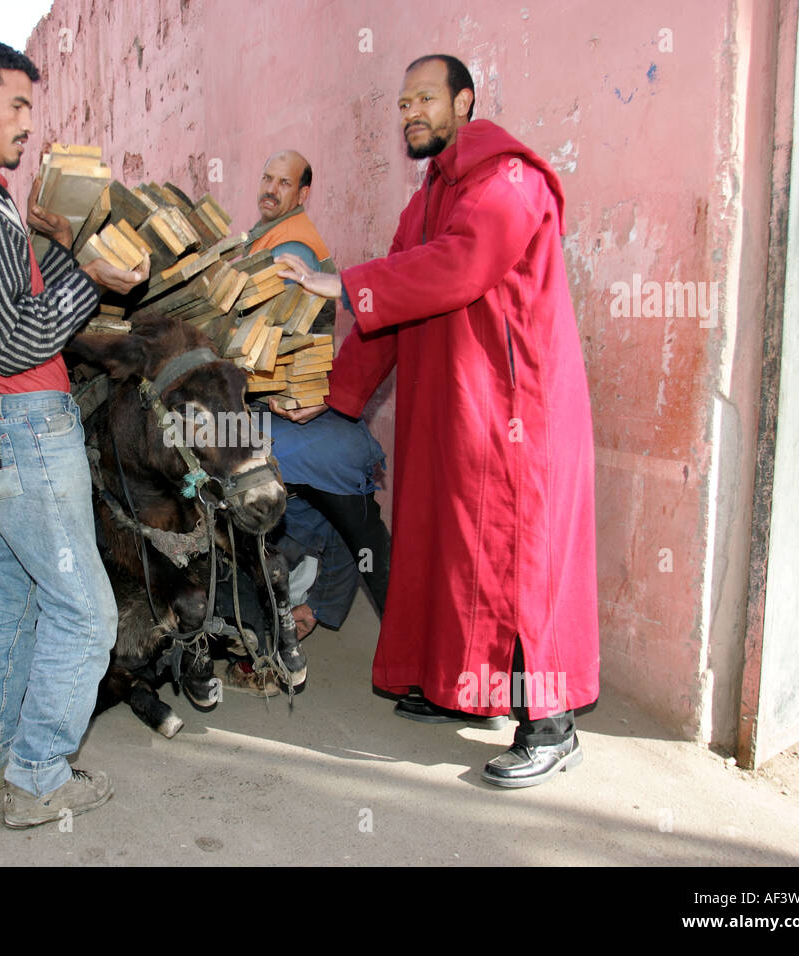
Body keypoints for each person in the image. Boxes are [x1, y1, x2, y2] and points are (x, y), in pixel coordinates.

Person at [276, 54, 599, 788]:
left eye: (425, 98)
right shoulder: (426, 199)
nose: (409, 113)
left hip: (520, 416)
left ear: (465, 101)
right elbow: (389, 313)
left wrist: (342, 281)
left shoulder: (511, 181)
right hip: (456, 415)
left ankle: (552, 725)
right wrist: (331, 393)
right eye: (401, 103)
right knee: (459, 556)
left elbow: (457, 267)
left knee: (521, 567)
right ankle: (474, 691)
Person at [0, 40, 147, 827]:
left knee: (17, 598)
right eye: (15, 104)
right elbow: (19, 342)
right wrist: (95, 279)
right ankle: (39, 776)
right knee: (87, 613)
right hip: (20, 426)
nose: (26, 122)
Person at [231, 151, 392, 698]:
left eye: (284, 183)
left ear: (303, 194)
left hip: (288, 416)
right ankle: (330, 621)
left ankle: (283, 622)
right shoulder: (267, 235)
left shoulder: (291, 248)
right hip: (312, 427)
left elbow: (274, 337)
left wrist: (267, 392)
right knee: (349, 528)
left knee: (247, 490)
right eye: (266, 178)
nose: (271, 189)